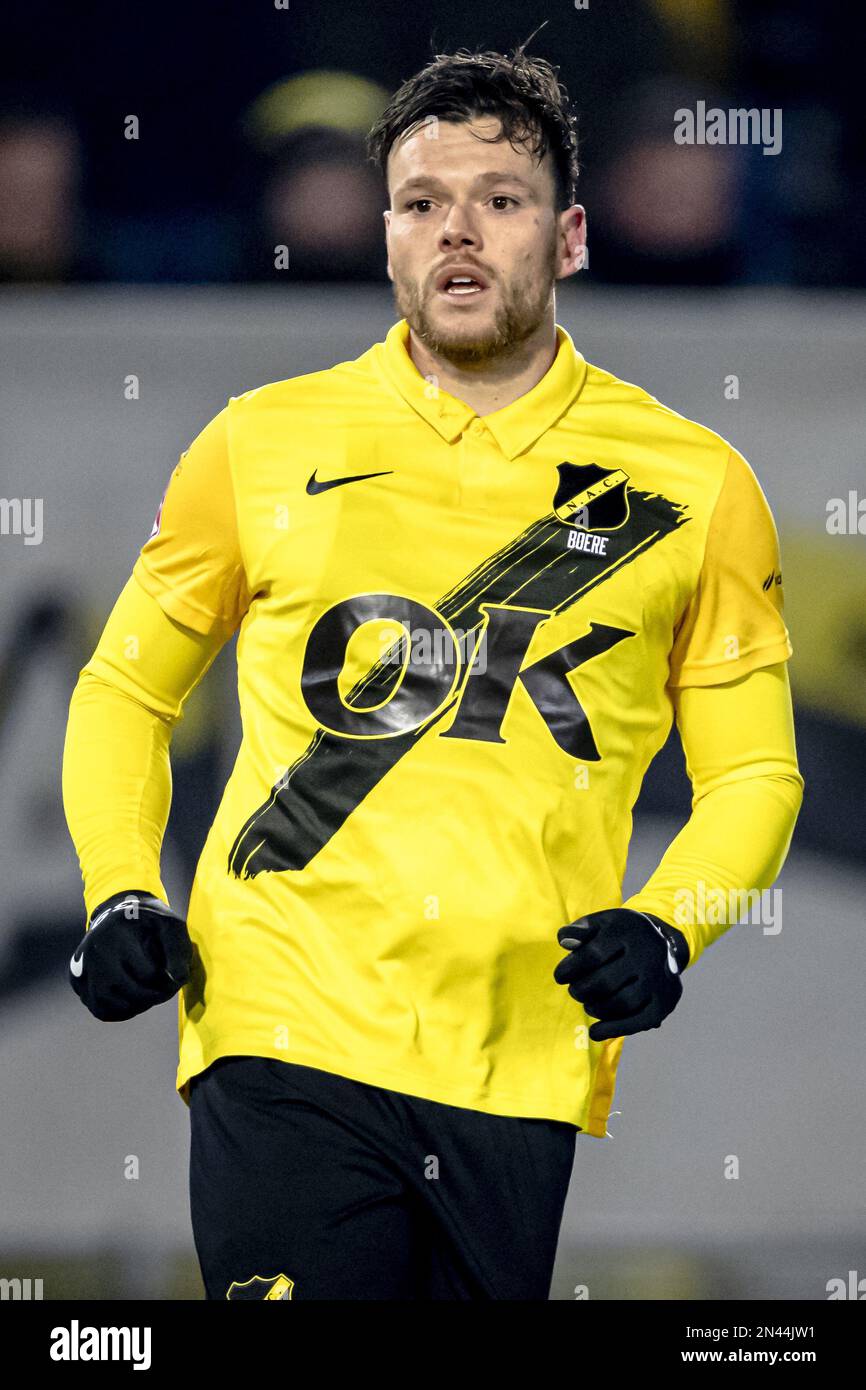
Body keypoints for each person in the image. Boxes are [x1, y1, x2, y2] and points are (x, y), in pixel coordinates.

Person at [62, 42, 803, 1301]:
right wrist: (124, 891)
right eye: (420, 203)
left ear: (567, 236)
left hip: (517, 1051)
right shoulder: (256, 443)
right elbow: (125, 688)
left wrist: (669, 930)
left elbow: (754, 771)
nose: (456, 232)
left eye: (499, 200)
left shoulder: (694, 482)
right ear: (389, 239)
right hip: (278, 1021)